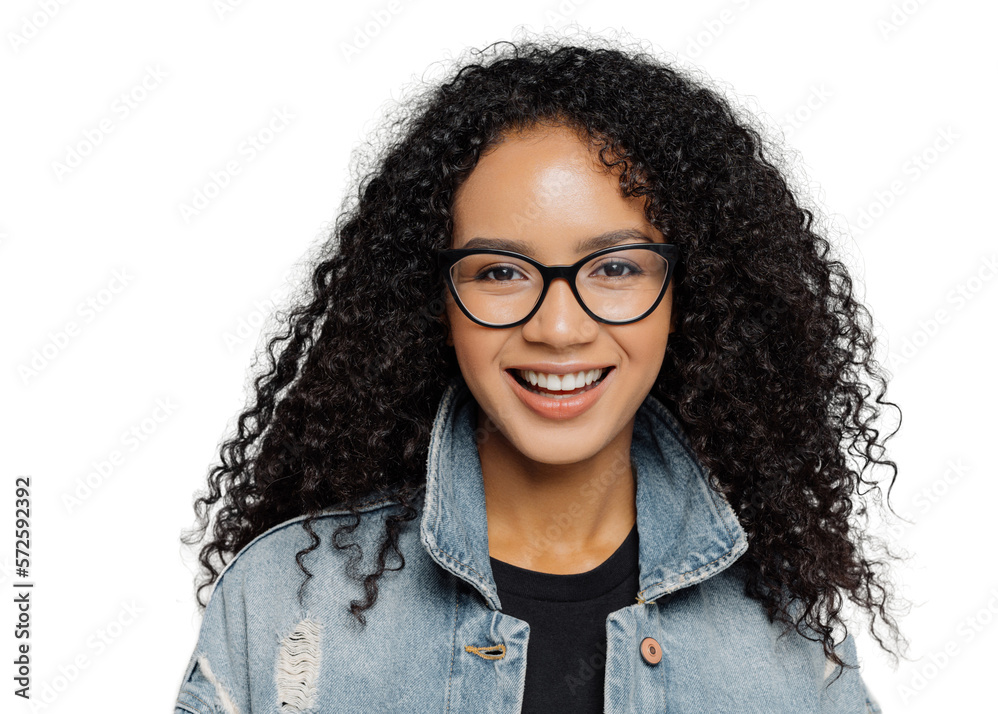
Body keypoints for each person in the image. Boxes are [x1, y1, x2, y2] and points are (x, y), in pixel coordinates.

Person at [174, 36, 905, 714]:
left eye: (616, 268)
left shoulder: (786, 633)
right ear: (435, 301)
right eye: (499, 271)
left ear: (690, 296)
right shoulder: (285, 602)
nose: (558, 329)